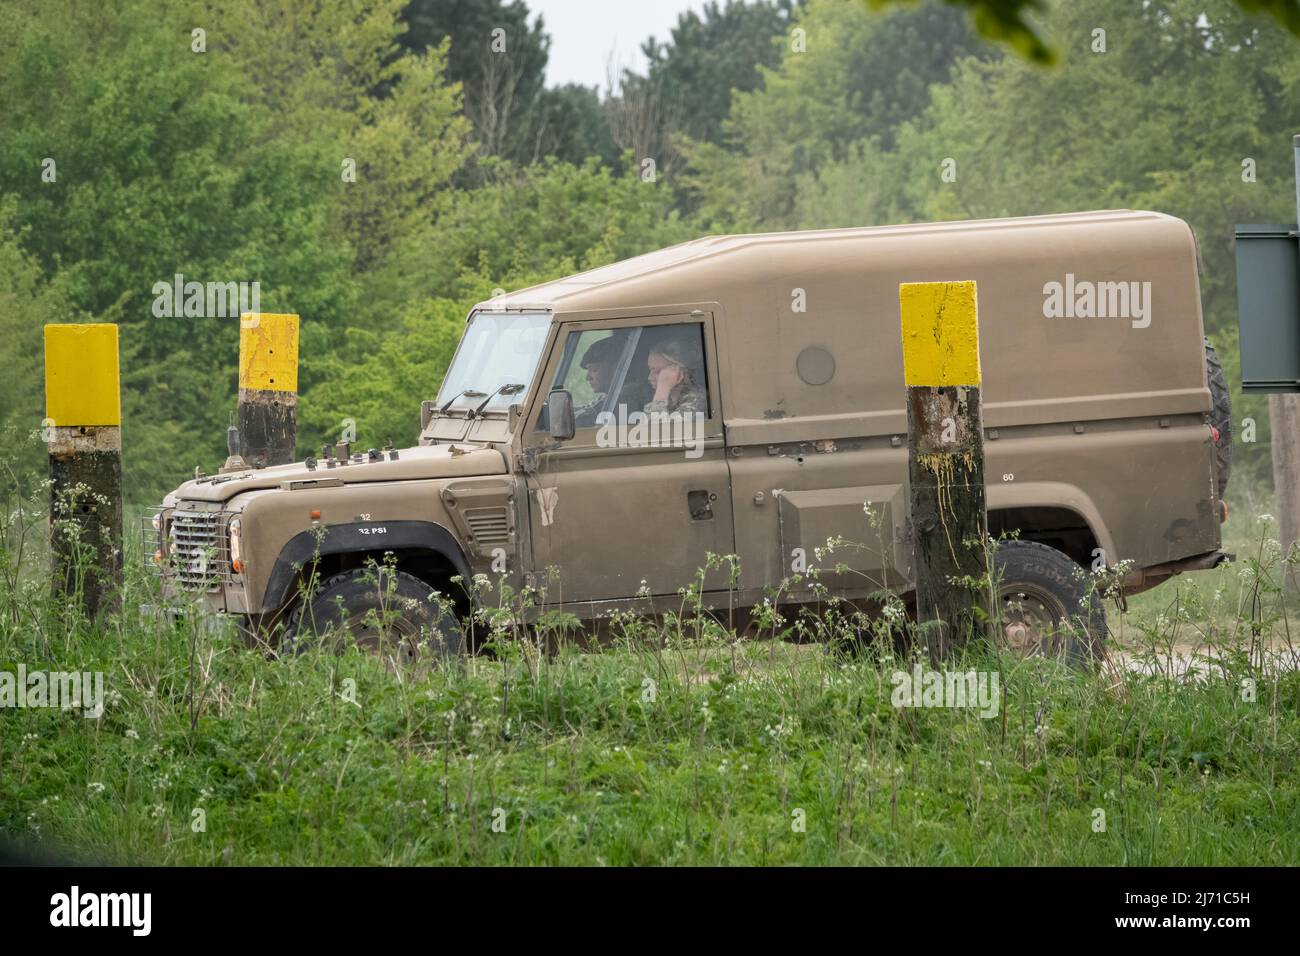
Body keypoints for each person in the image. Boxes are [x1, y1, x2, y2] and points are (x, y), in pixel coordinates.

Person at [644, 336, 706, 417]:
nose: (649, 378)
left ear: (678, 372)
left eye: (658, 371)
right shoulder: (669, 398)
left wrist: (661, 392)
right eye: (650, 370)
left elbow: (655, 428)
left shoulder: (697, 401)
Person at [572, 334, 624, 427]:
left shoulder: (623, 398)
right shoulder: (611, 397)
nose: (587, 378)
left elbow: (581, 420)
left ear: (615, 368)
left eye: (594, 369)